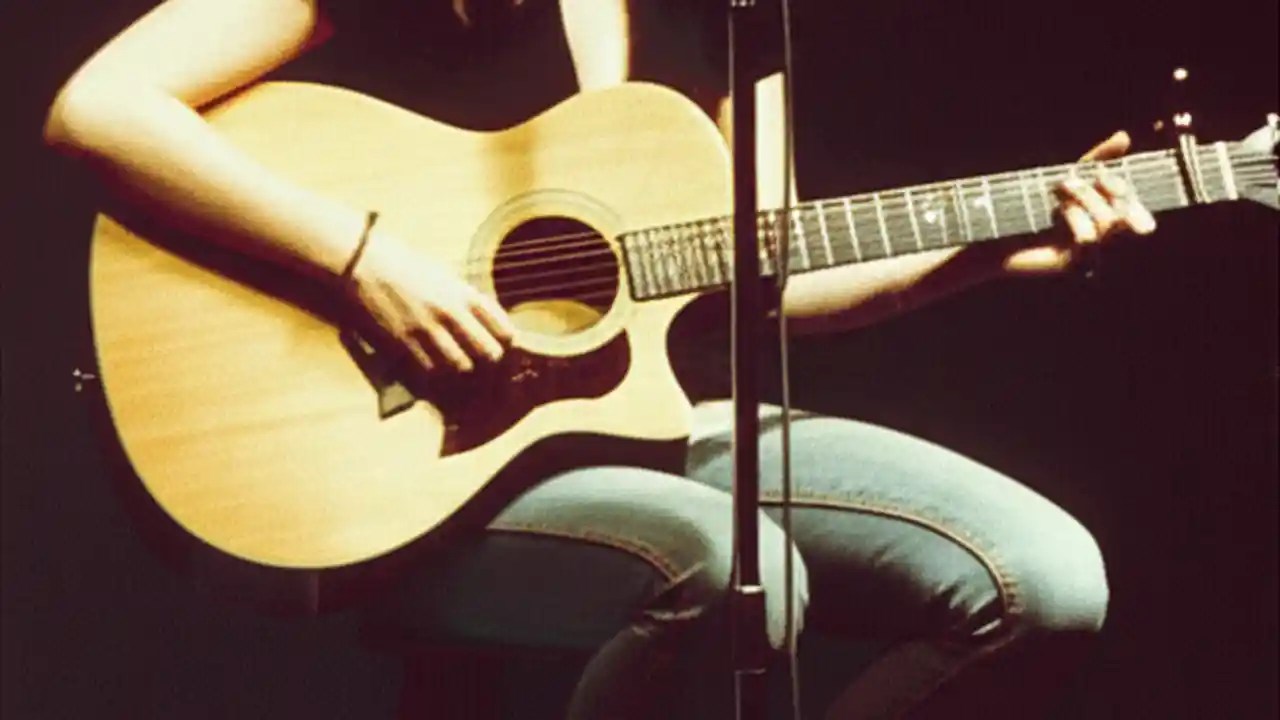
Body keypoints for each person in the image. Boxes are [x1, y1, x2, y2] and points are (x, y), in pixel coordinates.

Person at [42, 1, 1157, 717]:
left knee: (1043, 583)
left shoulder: (733, 20)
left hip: (621, 424)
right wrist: (363, 261)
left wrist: (987, 251)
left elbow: (766, 279)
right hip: (394, 459)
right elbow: (99, 108)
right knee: (728, 576)